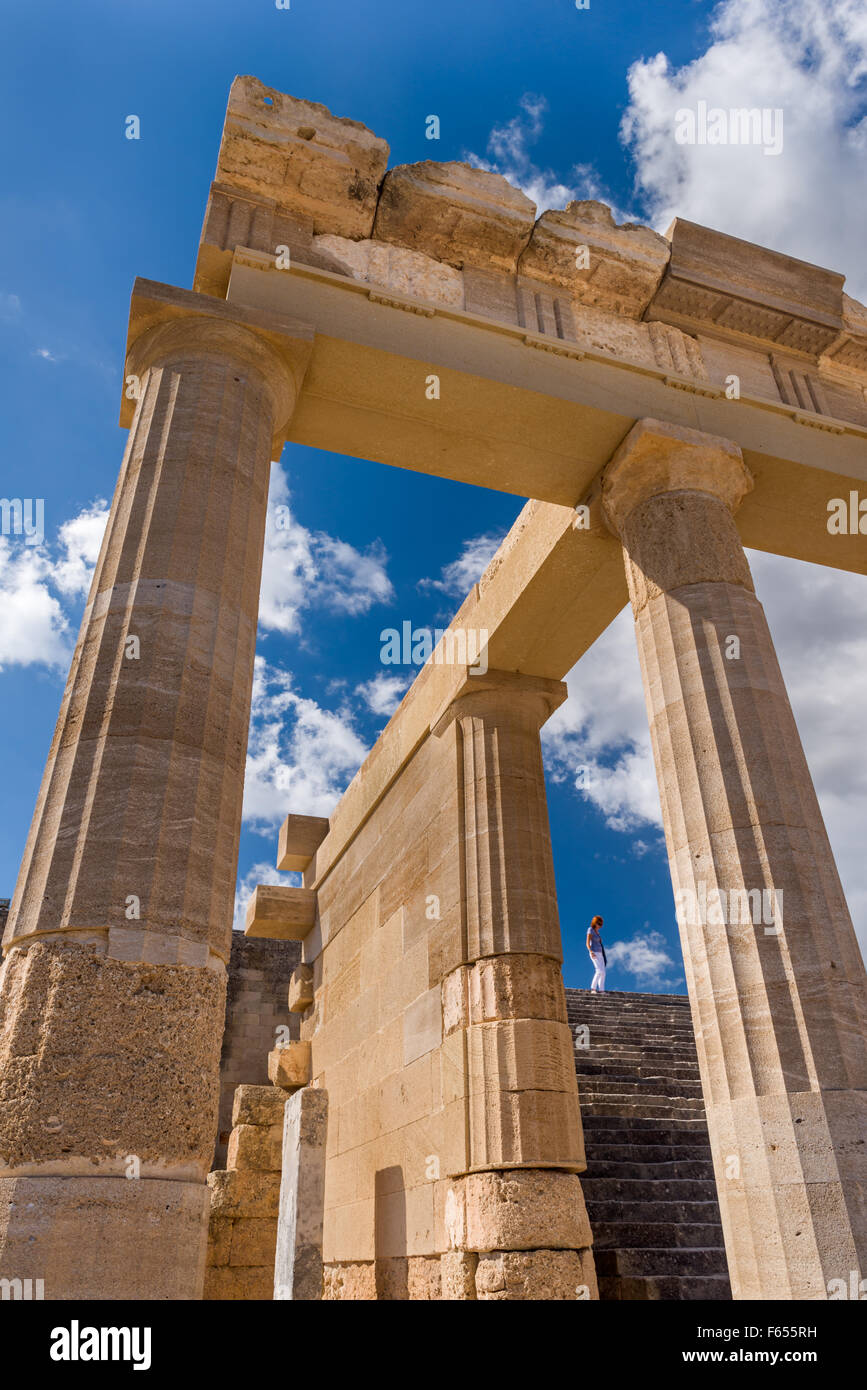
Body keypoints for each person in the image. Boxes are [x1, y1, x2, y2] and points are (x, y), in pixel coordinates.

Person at [587, 915, 607, 993]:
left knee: (603, 972)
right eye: (598, 923)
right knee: (599, 970)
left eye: (600, 924)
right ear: (594, 923)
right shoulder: (590, 930)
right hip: (594, 952)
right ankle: (593, 988)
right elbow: (587, 943)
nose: (599, 925)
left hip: (600, 953)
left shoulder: (598, 933)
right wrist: (590, 951)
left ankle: (602, 990)